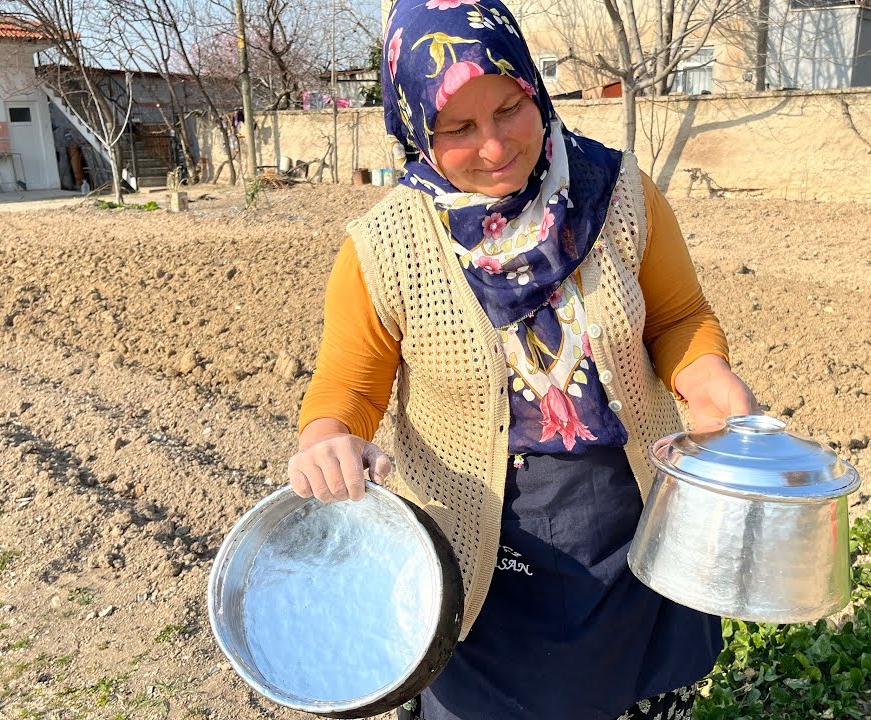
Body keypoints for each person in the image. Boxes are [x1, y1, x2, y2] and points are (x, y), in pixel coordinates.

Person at [289, 1, 757, 717]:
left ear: (534, 88)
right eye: (459, 129)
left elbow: (677, 319)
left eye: (509, 109)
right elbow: (349, 387)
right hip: (480, 562)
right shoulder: (385, 248)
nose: (495, 146)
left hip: (634, 536)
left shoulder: (618, 195)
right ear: (414, 129)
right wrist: (327, 439)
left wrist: (705, 376)